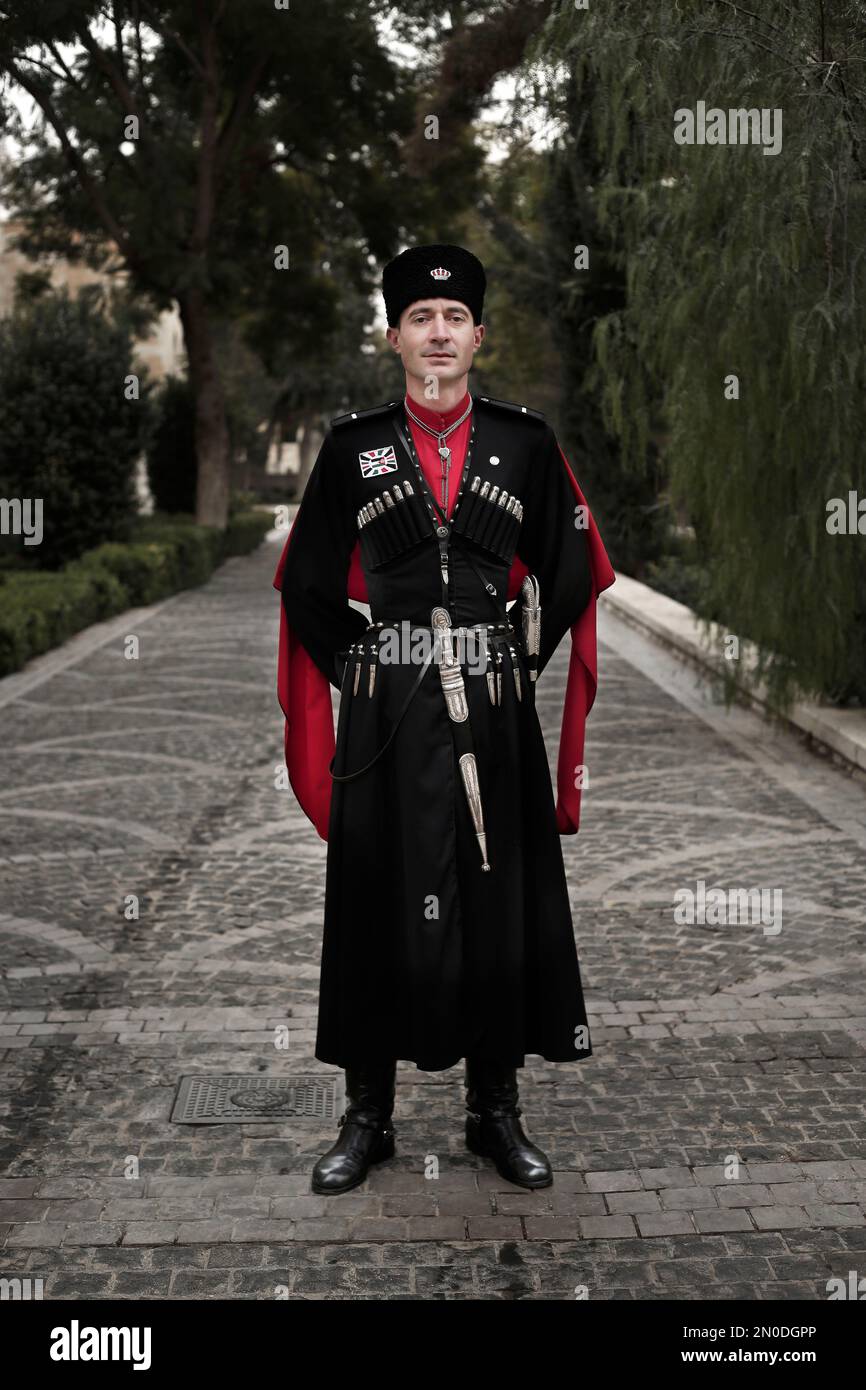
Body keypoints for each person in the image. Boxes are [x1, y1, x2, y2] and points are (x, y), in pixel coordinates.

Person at [272, 243, 615, 1195]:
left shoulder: (526, 442)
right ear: (394, 337)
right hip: (387, 722)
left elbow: (573, 566)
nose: (437, 334)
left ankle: (494, 1114)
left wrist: (513, 656)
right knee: (377, 898)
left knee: (497, 902)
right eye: (420, 319)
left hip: (495, 722)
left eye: (454, 319)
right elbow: (304, 583)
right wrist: (361, 662)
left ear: (477, 336)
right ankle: (367, 1118)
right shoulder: (350, 448)